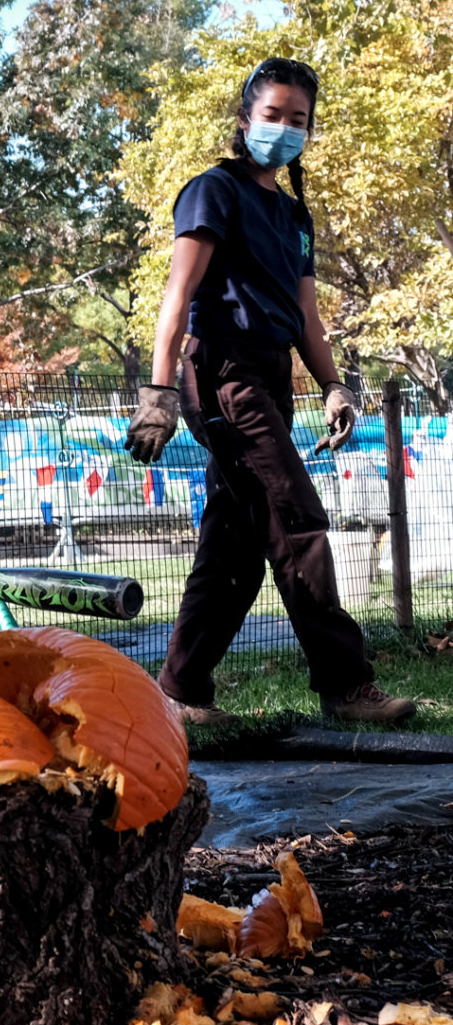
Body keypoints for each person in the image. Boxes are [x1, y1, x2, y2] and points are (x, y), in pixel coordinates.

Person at [125, 57, 415, 726]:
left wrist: (333, 385)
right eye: (273, 114)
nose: (285, 128)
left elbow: (306, 316)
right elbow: (178, 293)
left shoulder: (293, 215)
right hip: (222, 374)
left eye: (298, 119)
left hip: (271, 373)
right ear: (244, 118)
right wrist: (158, 392)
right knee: (297, 518)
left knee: (234, 545)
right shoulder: (214, 191)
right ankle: (346, 685)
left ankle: (181, 691)